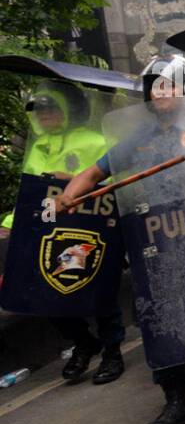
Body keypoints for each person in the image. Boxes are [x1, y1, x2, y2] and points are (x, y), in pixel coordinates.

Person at [59, 55, 185, 424]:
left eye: (170, 84)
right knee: (160, 316)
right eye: (156, 85)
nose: (162, 91)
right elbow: (95, 172)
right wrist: (70, 195)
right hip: (153, 237)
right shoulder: (136, 139)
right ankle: (176, 398)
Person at [4, 80, 125, 384]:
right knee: (41, 288)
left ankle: (112, 350)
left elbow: (113, 183)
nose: (44, 115)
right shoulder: (38, 148)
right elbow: (29, 196)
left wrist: (68, 180)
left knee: (100, 286)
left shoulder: (94, 141)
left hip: (90, 228)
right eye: (39, 110)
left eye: (51, 108)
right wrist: (8, 225)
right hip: (49, 231)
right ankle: (84, 342)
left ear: (68, 110)